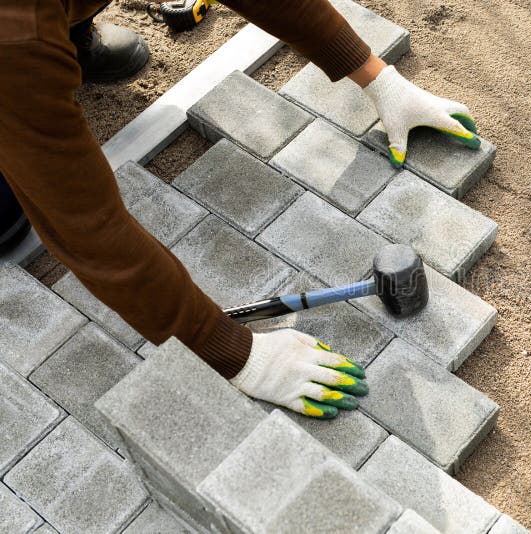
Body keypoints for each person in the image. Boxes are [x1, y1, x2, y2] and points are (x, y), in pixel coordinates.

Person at [0, 0, 480, 419]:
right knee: (11, 215)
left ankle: (69, 33)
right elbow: (87, 230)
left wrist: (379, 79)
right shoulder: (14, 36)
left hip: (33, 40)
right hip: (15, 54)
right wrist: (230, 351)